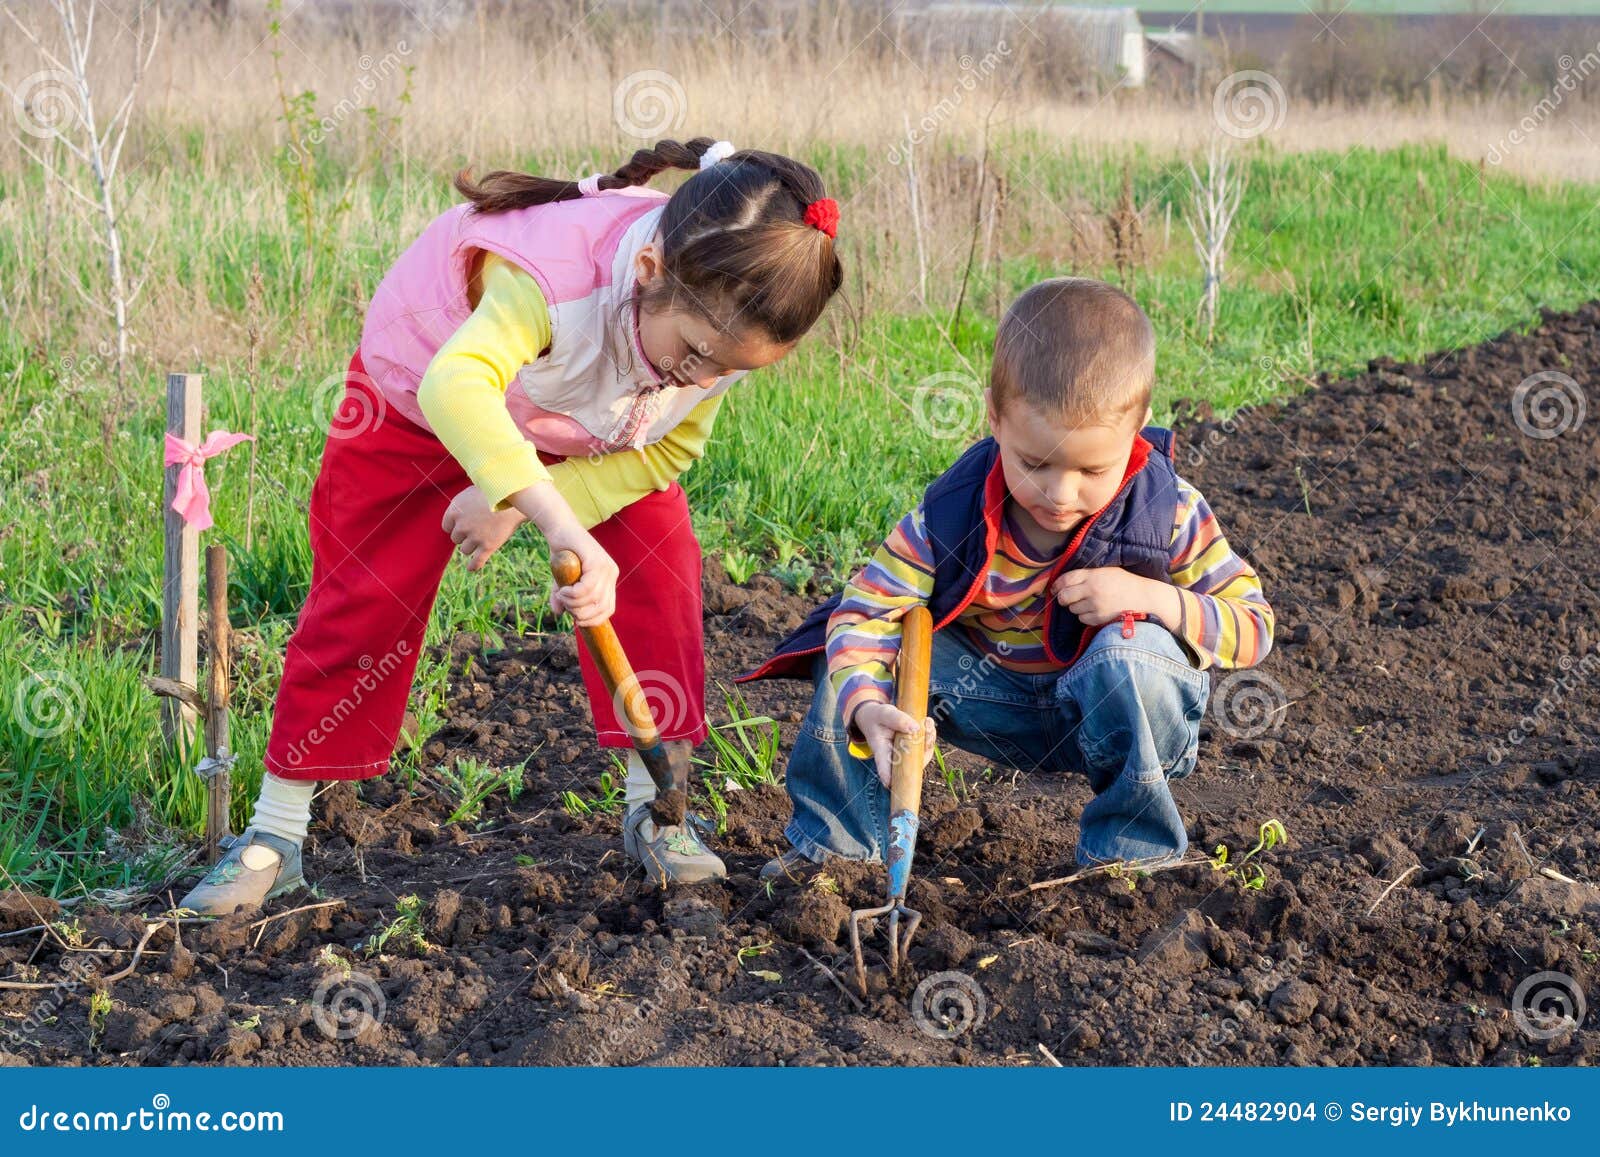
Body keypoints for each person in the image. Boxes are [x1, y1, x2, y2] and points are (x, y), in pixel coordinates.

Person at [181, 137, 843, 914]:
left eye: (725, 370)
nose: (700, 379)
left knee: (661, 575)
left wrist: (521, 499)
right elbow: (457, 387)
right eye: (694, 354)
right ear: (649, 273)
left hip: (591, 428)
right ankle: (275, 833)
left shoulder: (717, 331)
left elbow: (672, 446)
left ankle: (656, 811)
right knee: (365, 595)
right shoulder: (551, 281)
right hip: (422, 394)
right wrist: (553, 519)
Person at [742, 278, 1274, 877]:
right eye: (1035, 463)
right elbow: (867, 611)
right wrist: (869, 708)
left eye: (1092, 469)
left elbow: (1253, 627)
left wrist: (1149, 598)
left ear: (1138, 427)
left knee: (1135, 651)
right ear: (994, 417)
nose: (1059, 492)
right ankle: (837, 859)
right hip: (990, 700)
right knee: (847, 652)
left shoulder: (1167, 511)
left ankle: (1128, 865)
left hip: (1109, 713)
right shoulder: (952, 516)